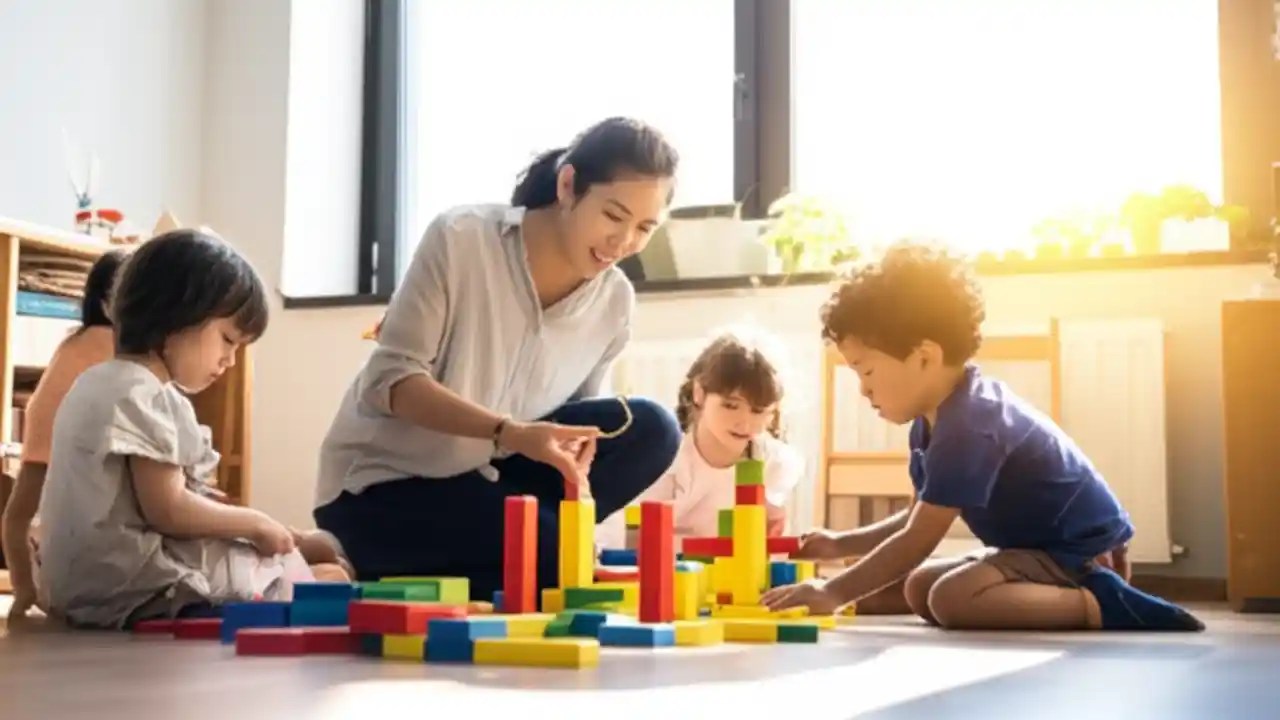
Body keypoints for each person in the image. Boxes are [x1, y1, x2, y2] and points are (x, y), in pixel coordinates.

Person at [314, 117, 684, 601]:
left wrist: (574, 511)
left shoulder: (615, 301)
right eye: (613, 216)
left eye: (644, 228)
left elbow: (572, 433)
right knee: (546, 557)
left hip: (491, 488)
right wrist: (508, 431)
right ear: (569, 186)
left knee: (653, 429)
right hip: (383, 490)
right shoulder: (461, 239)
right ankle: (363, 557)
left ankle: (521, 559)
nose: (624, 243)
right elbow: (392, 381)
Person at [762, 240, 1204, 631]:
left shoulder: (970, 422)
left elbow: (919, 538)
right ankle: (1083, 597)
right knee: (920, 587)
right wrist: (841, 543)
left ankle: (1104, 604)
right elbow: (919, 518)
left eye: (868, 370)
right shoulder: (934, 418)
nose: (864, 388)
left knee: (953, 598)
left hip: (1078, 556)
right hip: (1032, 550)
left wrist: (832, 593)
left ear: (924, 357)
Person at [35, 230, 348, 629]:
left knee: (276, 549)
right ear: (177, 317)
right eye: (227, 340)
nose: (229, 361)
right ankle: (295, 579)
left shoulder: (93, 383)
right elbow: (168, 511)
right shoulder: (146, 394)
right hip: (132, 585)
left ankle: (299, 562)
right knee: (307, 565)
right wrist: (256, 523)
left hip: (74, 584)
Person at [3, 249, 129, 620]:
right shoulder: (113, 343)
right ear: (109, 304)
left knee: (17, 516)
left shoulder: (75, 338)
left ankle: (23, 588)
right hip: (64, 443)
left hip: (39, 438)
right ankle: (36, 585)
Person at [596, 326, 804, 548]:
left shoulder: (774, 462)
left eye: (758, 411)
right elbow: (620, 525)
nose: (744, 423)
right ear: (699, 393)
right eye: (730, 406)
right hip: (668, 569)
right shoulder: (670, 459)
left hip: (734, 571)